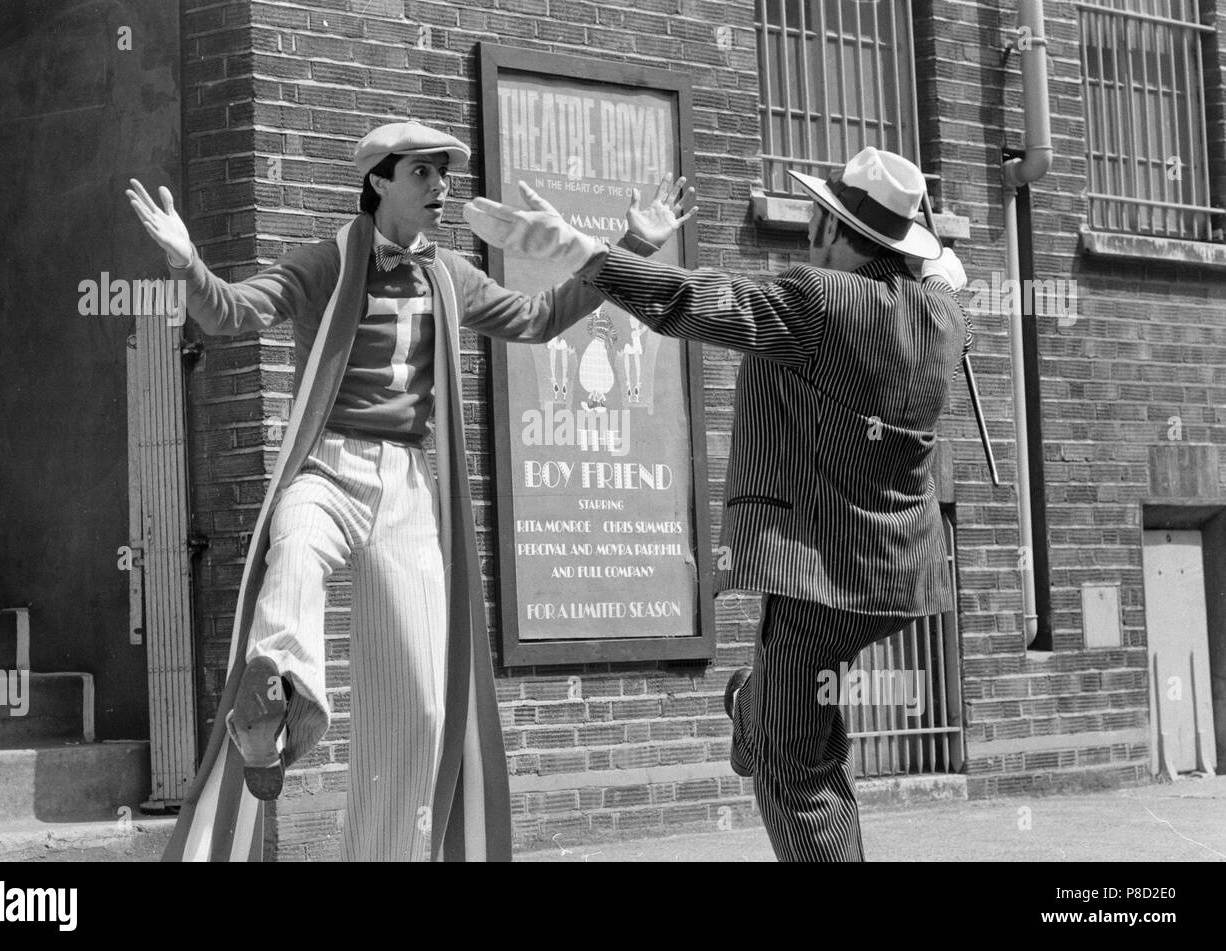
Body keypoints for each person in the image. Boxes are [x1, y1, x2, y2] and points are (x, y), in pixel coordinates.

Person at [126, 119, 689, 862]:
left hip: (407, 489)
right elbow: (234, 311)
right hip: (326, 470)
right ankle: (273, 705)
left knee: (421, 710)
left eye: (445, 175)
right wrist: (189, 262)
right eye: (423, 173)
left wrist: (633, 246)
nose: (441, 188)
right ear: (380, 181)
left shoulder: (449, 274)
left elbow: (540, 317)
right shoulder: (327, 260)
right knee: (292, 550)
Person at [464, 147, 971, 861]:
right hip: (897, 580)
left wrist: (579, 249)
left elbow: (693, 300)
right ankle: (762, 703)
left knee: (792, 770)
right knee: (799, 719)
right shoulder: (944, 316)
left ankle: (760, 713)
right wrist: (939, 272)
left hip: (819, 576)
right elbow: (951, 292)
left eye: (815, 219)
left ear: (831, 229)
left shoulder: (819, 301)